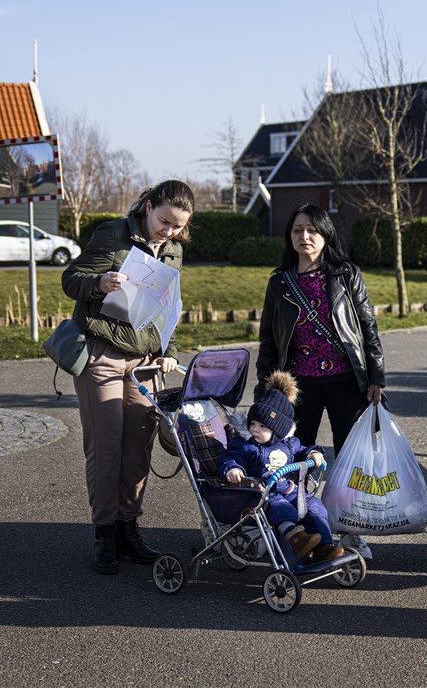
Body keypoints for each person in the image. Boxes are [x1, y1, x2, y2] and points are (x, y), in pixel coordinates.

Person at [61, 180, 194, 575]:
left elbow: (169, 309)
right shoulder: (113, 234)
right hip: (101, 354)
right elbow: (71, 279)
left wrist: (169, 352)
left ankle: (128, 528)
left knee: (138, 449)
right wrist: (98, 283)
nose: (169, 231)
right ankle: (104, 532)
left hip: (145, 363)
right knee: (106, 448)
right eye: (165, 221)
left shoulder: (173, 251)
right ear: (148, 206)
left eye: (178, 226)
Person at [255, 203, 385, 560]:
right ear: (289, 236)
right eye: (297, 230)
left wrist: (376, 377)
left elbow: (368, 328)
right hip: (298, 387)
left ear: (326, 234)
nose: (305, 236)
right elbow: (268, 339)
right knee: (290, 459)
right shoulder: (280, 282)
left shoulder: (346, 275)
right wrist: (265, 388)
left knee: (351, 462)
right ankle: (301, 532)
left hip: (346, 381)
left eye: (312, 230)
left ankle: (352, 532)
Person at [216, 371, 344, 562]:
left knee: (315, 506)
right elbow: (230, 458)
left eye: (263, 426)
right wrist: (233, 469)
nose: (255, 429)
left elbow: (303, 451)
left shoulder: (289, 444)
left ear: (278, 431)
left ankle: (324, 547)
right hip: (260, 494)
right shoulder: (245, 444)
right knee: (281, 507)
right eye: (253, 423)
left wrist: (313, 454)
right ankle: (297, 540)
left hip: (289, 489)